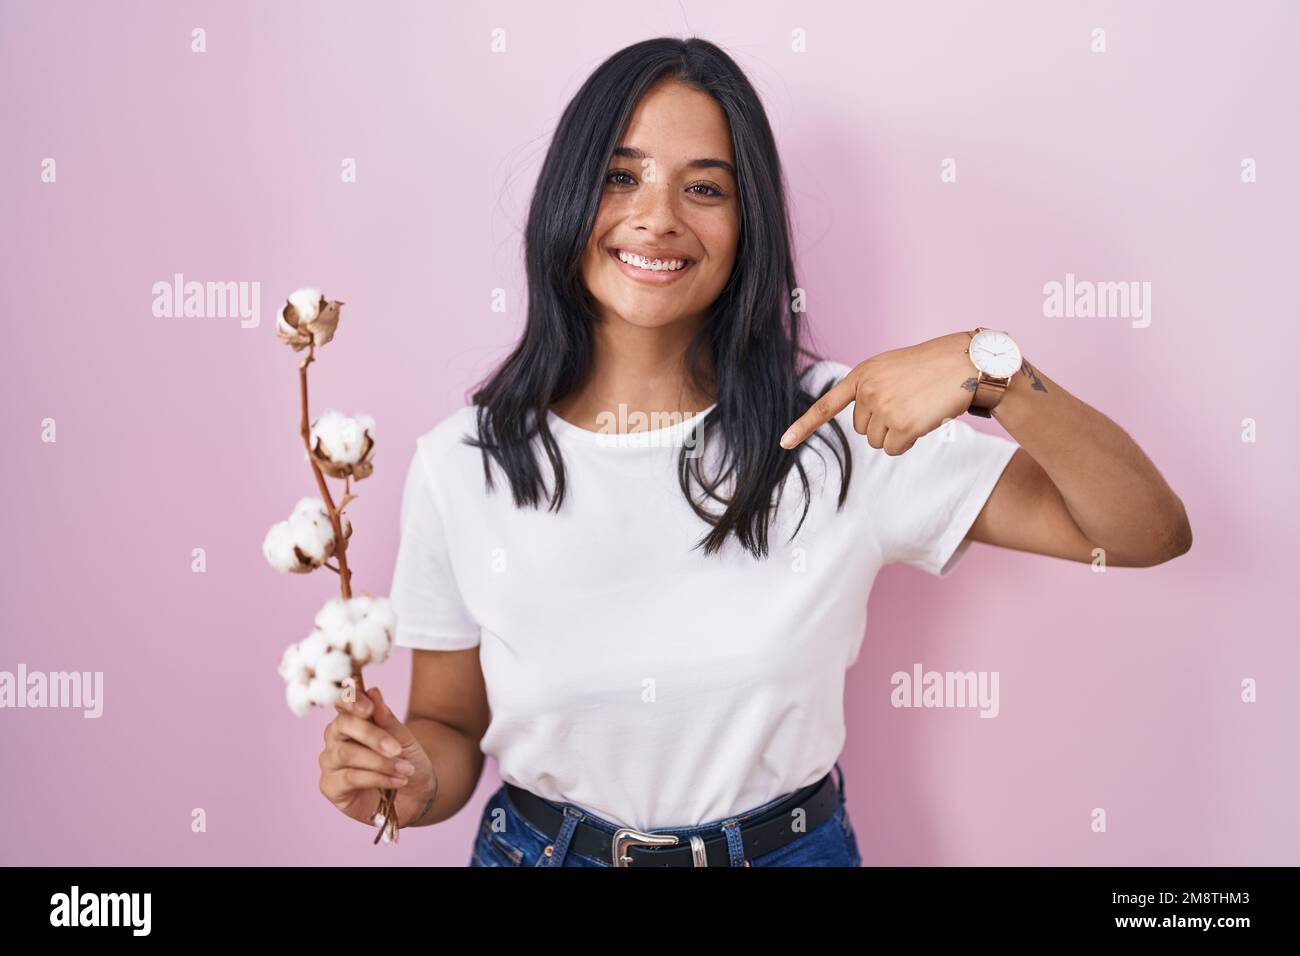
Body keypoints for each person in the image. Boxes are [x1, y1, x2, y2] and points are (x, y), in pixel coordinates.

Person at [316, 37, 1191, 867]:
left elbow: (1145, 531)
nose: (655, 219)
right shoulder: (462, 460)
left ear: (747, 224)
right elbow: (450, 729)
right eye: (622, 177)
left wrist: (994, 370)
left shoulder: (845, 425)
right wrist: (409, 777)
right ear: (568, 195)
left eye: (705, 188)